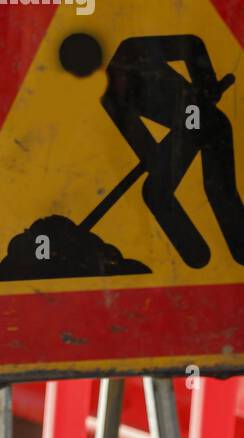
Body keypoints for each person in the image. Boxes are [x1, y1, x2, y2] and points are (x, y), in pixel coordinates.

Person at [101, 34, 244, 268]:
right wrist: (152, 156)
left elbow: (192, 45)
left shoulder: (132, 50)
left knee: (218, 188)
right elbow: (140, 141)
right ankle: (197, 256)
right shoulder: (111, 100)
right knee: (156, 192)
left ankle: (238, 246)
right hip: (188, 129)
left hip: (206, 118)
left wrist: (205, 84)